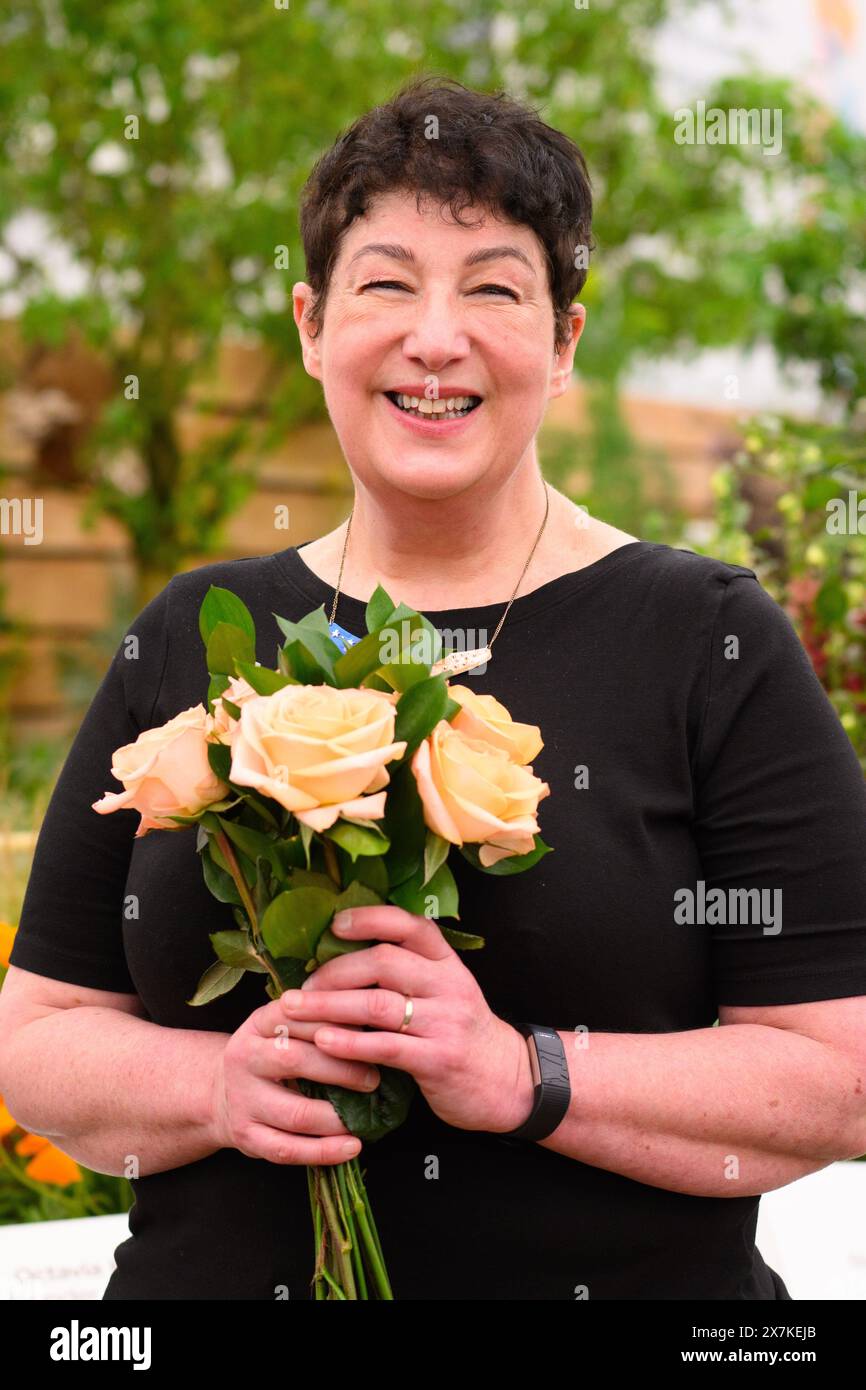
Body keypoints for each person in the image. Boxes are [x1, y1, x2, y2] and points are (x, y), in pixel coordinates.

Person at [2, 75, 866, 1301]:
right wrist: (217, 1085)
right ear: (311, 325)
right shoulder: (193, 633)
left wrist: (525, 1074)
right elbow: (36, 1037)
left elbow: (839, 1077)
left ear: (564, 342)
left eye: (495, 288)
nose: (434, 337)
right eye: (387, 282)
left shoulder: (705, 641)